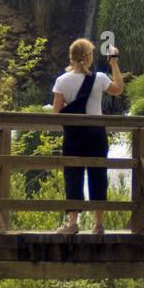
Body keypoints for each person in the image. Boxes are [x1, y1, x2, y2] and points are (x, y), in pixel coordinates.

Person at [52, 39, 124, 234]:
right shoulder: (99, 78)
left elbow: (56, 114)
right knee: (98, 175)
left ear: (72, 57)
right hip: (96, 133)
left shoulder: (61, 81)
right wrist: (114, 63)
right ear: (89, 57)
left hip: (74, 134)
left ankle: (72, 223)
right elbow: (118, 89)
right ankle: (98, 225)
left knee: (73, 175)